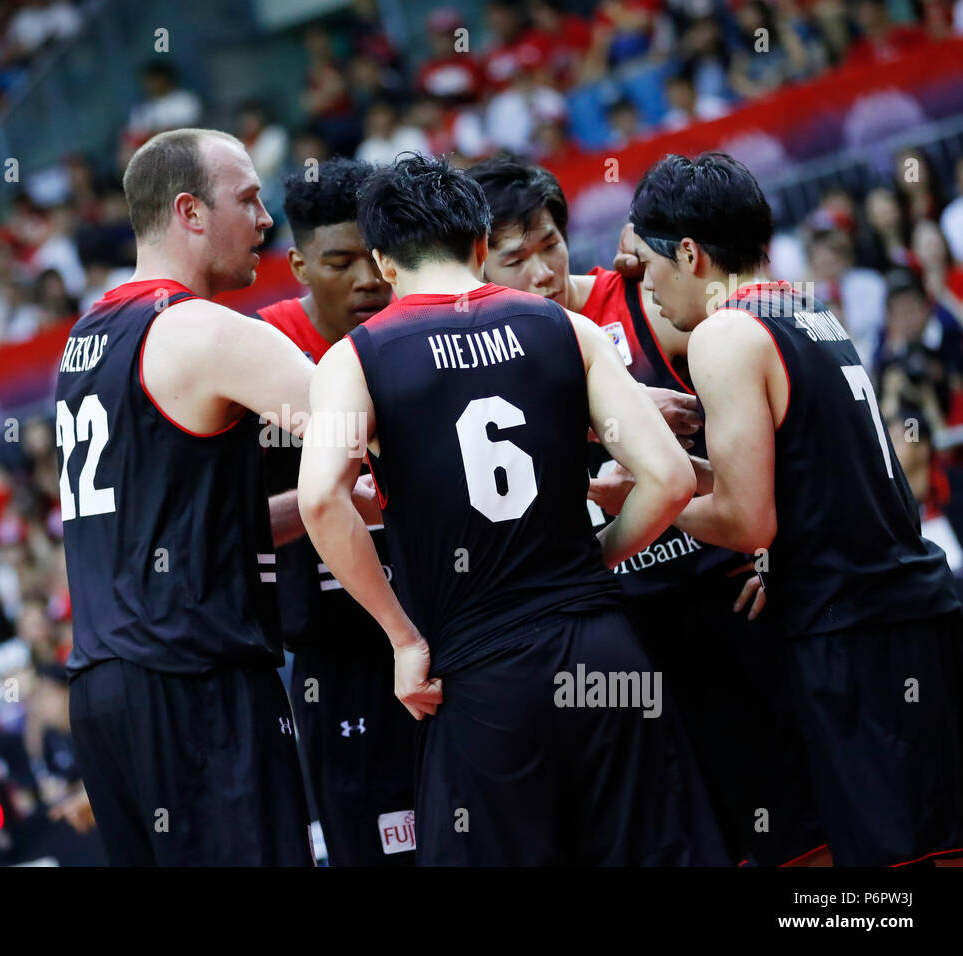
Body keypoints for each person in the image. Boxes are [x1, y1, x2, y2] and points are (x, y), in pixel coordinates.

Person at [297, 154, 724, 865]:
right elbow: (672, 479)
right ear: (476, 245)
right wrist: (602, 555)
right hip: (601, 650)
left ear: (384, 262)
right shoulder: (566, 330)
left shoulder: (357, 357)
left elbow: (320, 499)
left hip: (482, 677)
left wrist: (404, 640)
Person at [470, 156, 828, 867]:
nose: (542, 271)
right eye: (516, 258)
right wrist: (595, 420)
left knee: (796, 833)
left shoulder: (643, 303)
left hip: (723, 602)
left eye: (550, 244)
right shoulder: (478, 357)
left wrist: (785, 540)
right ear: (476, 265)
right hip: (620, 631)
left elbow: (787, 406)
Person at [614, 151, 963, 866]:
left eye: (648, 265)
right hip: (910, 609)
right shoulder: (804, 306)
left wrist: (653, 495)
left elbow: (747, 521)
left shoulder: (725, 333)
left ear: (688, 252)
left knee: (889, 877)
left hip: (855, 631)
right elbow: (799, 475)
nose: (646, 287)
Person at [59, 128, 375, 866]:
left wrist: (329, 503)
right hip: (194, 685)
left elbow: (190, 531)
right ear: (189, 213)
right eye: (248, 199)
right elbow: (366, 429)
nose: (265, 220)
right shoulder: (200, 328)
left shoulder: (89, 335)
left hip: (106, 693)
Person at [258, 158, 416, 866]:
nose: (366, 279)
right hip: (335, 658)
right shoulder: (256, 357)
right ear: (297, 264)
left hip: (448, 629)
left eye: (377, 257)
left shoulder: (426, 324)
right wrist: (335, 501)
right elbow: (231, 526)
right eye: (340, 261)